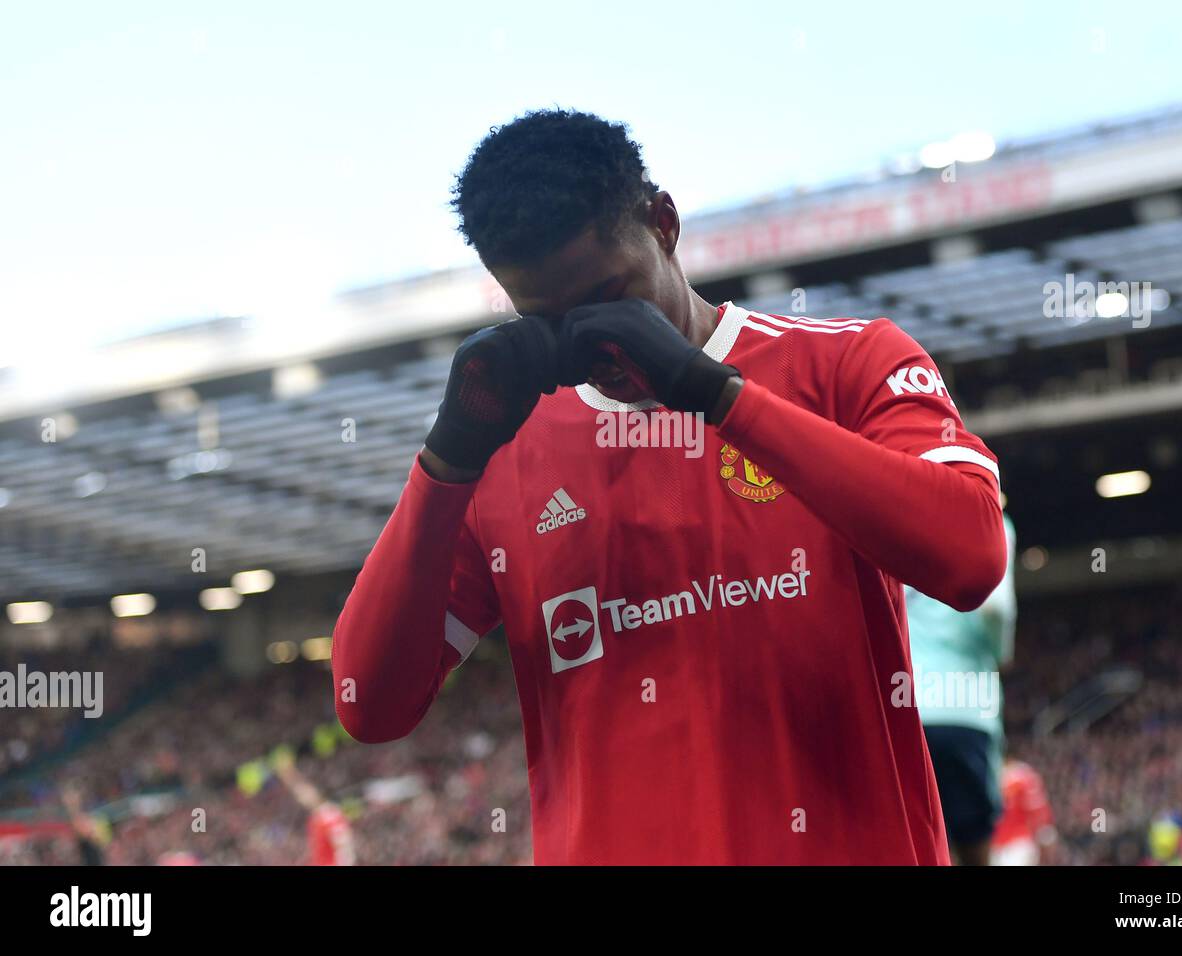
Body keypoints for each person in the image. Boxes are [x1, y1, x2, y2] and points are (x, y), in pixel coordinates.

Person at [332, 109, 1006, 864]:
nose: (591, 343)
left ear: (664, 223)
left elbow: (969, 557)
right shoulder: (503, 459)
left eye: (610, 296)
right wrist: (447, 459)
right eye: (545, 321)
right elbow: (370, 705)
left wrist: (718, 397)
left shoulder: (847, 364)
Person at [904, 510, 1016, 865]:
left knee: (914, 843)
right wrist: (1002, 652)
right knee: (974, 846)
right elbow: (996, 608)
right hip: (966, 710)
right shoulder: (988, 521)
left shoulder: (898, 521)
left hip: (908, 708)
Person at [271, 749, 355, 866]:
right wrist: (288, 774)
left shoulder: (329, 816)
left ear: (318, 792)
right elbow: (299, 789)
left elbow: (344, 845)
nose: (300, 798)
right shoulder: (319, 815)